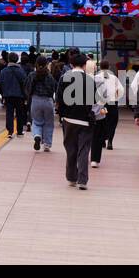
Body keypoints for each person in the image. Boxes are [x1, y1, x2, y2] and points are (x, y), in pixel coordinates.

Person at [56, 52, 96, 189]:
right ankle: (82, 180)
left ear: (71, 64)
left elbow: (59, 99)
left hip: (68, 119)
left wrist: (61, 115)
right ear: (85, 65)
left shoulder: (64, 78)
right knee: (83, 150)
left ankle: (72, 177)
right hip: (85, 120)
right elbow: (94, 100)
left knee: (70, 148)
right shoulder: (90, 80)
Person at [91, 58, 125, 168]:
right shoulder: (114, 77)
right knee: (112, 121)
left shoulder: (96, 77)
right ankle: (110, 139)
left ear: (100, 67)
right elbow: (120, 89)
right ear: (109, 67)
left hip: (102, 105)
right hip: (112, 103)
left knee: (103, 121)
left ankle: (103, 140)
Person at [26, 58, 58, 152]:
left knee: (36, 121)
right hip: (48, 101)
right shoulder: (50, 76)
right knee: (49, 123)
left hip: (35, 100)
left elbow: (27, 88)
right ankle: (47, 144)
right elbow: (54, 89)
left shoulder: (32, 75)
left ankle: (37, 135)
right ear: (46, 64)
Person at [0, 51, 28, 139]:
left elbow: (1, 83)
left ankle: (10, 131)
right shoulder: (21, 71)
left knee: (9, 113)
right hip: (19, 96)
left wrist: (3, 94)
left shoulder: (4, 71)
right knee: (19, 113)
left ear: (9, 59)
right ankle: (20, 131)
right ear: (17, 60)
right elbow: (25, 83)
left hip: (8, 95)